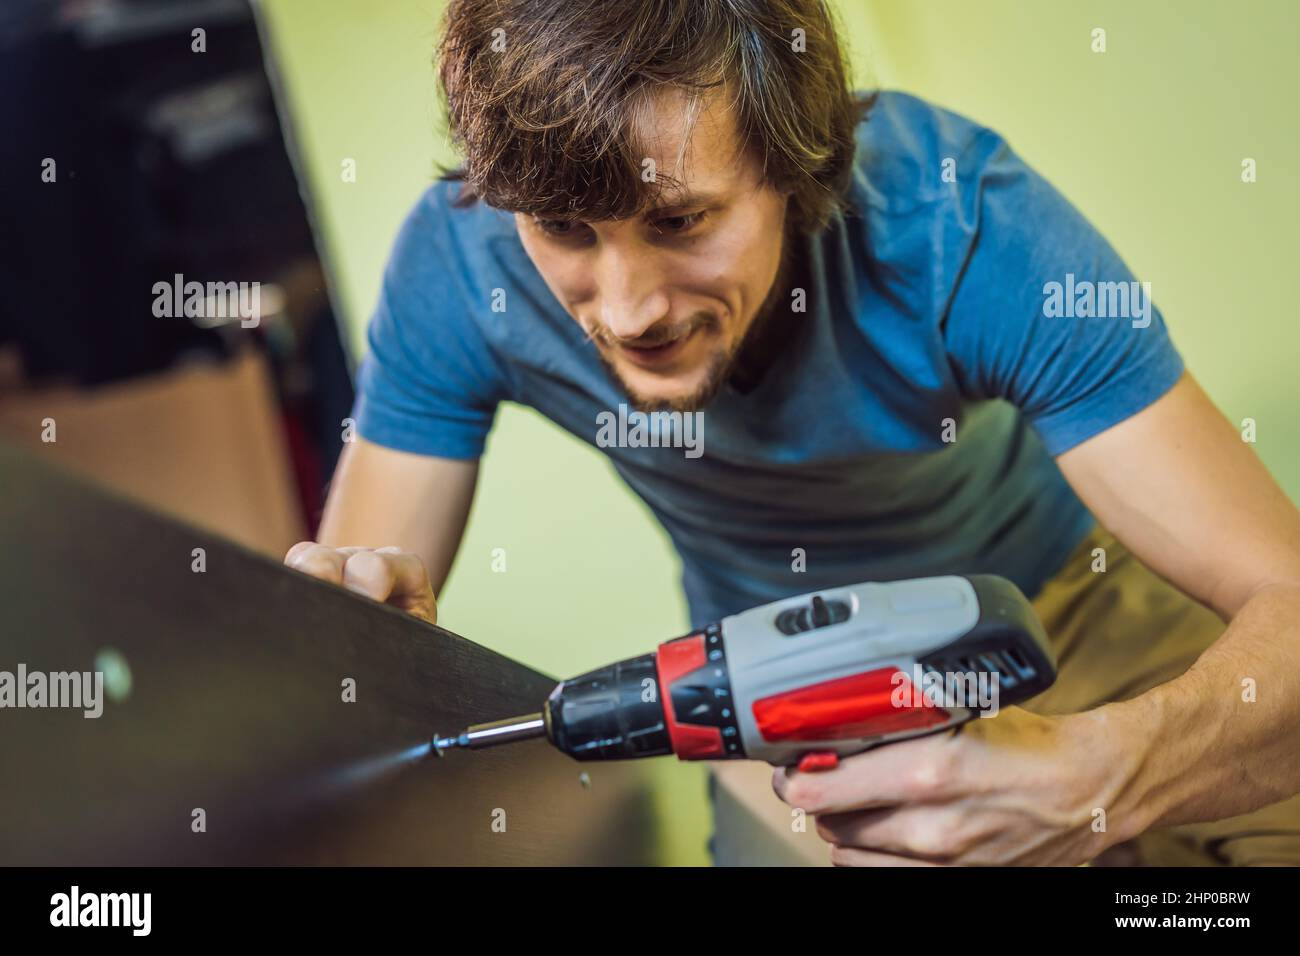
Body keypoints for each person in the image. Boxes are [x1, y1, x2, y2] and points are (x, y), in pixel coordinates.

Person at [285, 0, 1300, 865]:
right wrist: (359, 628)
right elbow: (355, 625)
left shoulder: (960, 222)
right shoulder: (460, 267)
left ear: (793, 161)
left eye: (677, 221)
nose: (629, 307)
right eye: (564, 231)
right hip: (761, 686)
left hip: (1055, 606)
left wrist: (1104, 776)